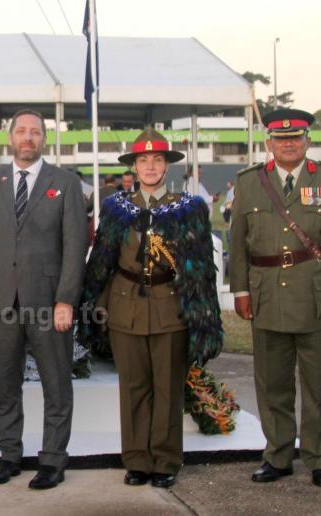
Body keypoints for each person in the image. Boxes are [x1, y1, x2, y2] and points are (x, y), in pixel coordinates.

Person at [230, 109, 321, 488]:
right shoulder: (250, 182)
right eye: (280, 138)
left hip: (318, 297)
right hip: (267, 295)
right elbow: (237, 242)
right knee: (272, 383)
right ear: (269, 142)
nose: (288, 143)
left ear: (307, 140)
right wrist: (240, 290)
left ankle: (319, 457)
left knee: (318, 383)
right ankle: (277, 455)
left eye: (295, 137)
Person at [80, 130, 222, 489]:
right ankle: (137, 460)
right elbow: (101, 261)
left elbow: (202, 268)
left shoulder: (189, 209)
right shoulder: (115, 207)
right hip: (124, 308)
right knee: (134, 386)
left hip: (170, 308)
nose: (150, 166)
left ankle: (166, 460)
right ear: (133, 166)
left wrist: (204, 318)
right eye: (143, 160)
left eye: (157, 160)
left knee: (167, 387)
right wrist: (91, 304)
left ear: (167, 165)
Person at [0, 109, 88, 490]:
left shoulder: (66, 183)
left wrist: (66, 299)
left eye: (35, 132)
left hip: (49, 302)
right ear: (10, 137)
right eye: (21, 131)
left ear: (44, 139)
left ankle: (52, 460)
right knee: (5, 383)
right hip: (1, 301)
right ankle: (9, 454)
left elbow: (74, 245)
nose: (28, 138)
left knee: (56, 384)